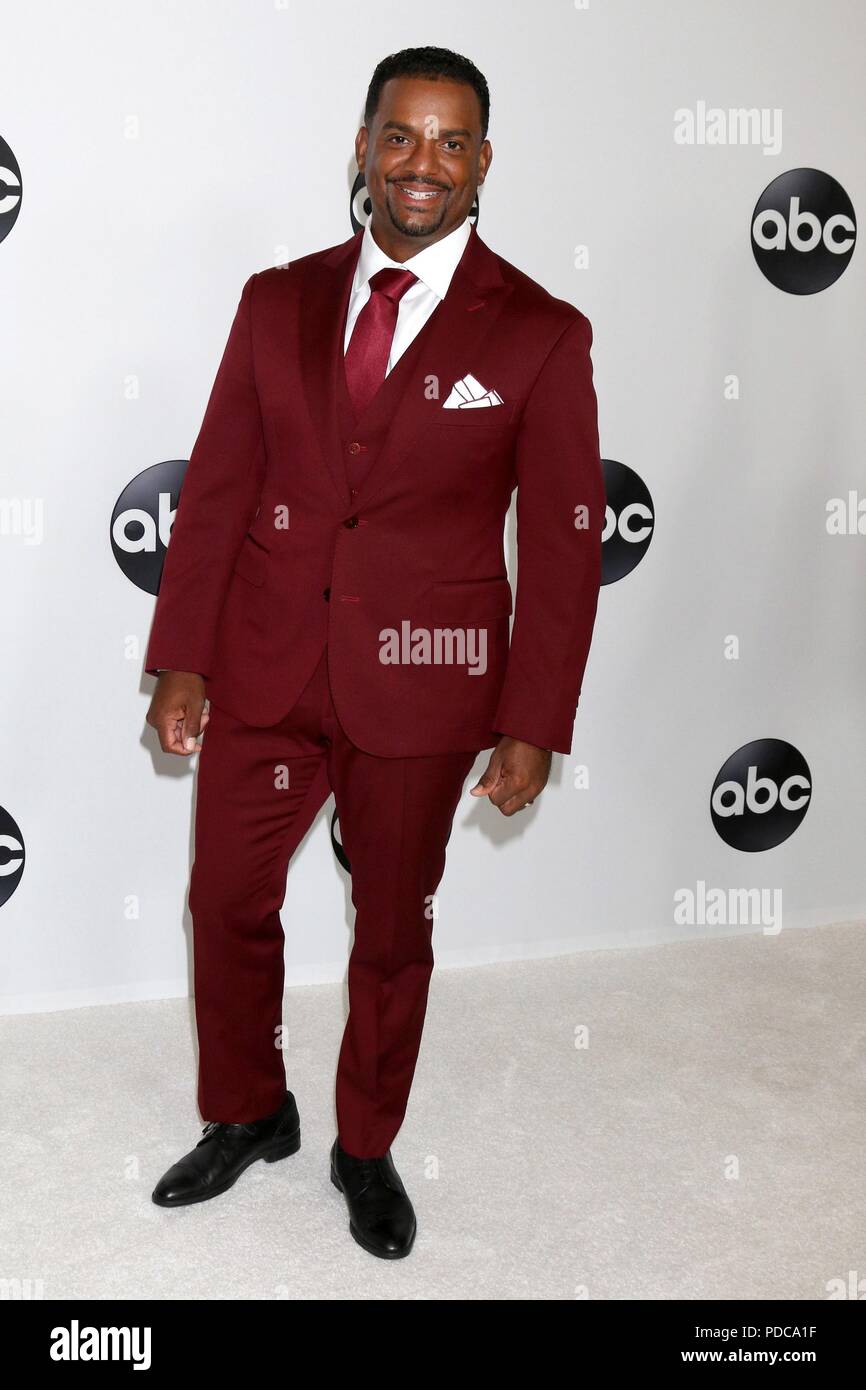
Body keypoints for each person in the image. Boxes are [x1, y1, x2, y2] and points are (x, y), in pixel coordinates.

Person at [144, 45, 604, 1260]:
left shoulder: (542, 333)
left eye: (451, 143)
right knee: (226, 900)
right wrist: (182, 653)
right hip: (264, 663)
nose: (422, 164)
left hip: (427, 679)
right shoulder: (275, 299)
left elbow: (562, 546)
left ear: (483, 165)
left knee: (390, 929)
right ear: (360, 145)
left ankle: (363, 1145)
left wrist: (532, 721)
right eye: (401, 135)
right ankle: (249, 1111)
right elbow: (220, 487)